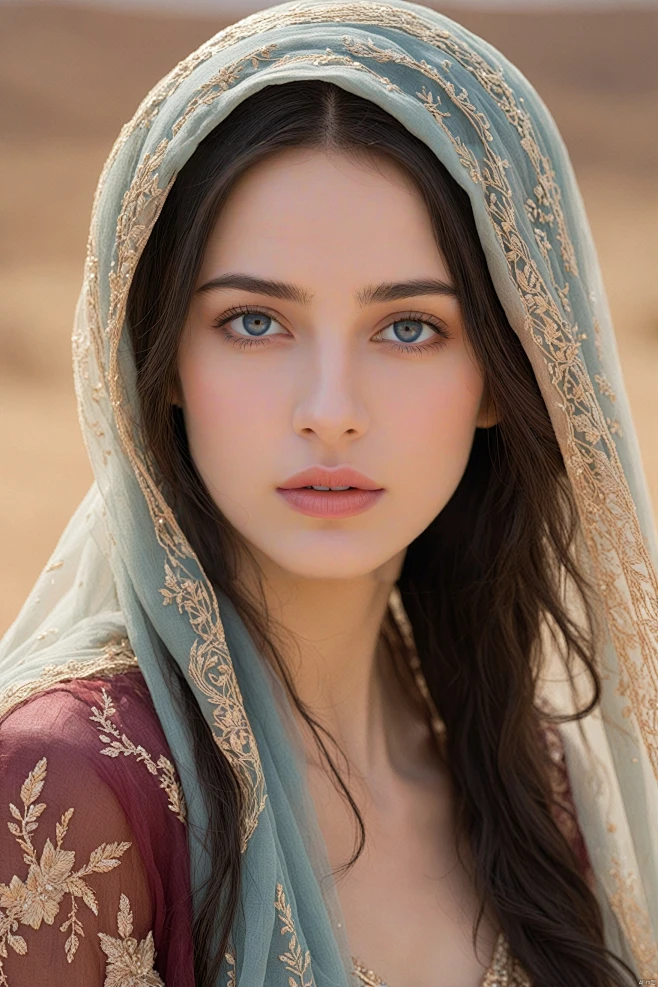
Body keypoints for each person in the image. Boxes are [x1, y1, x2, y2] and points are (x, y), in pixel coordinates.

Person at [0, 2, 656, 985]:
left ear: (500, 371)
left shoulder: (544, 788)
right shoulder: (67, 794)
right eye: (255, 321)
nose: (331, 411)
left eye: (408, 328)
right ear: (162, 361)